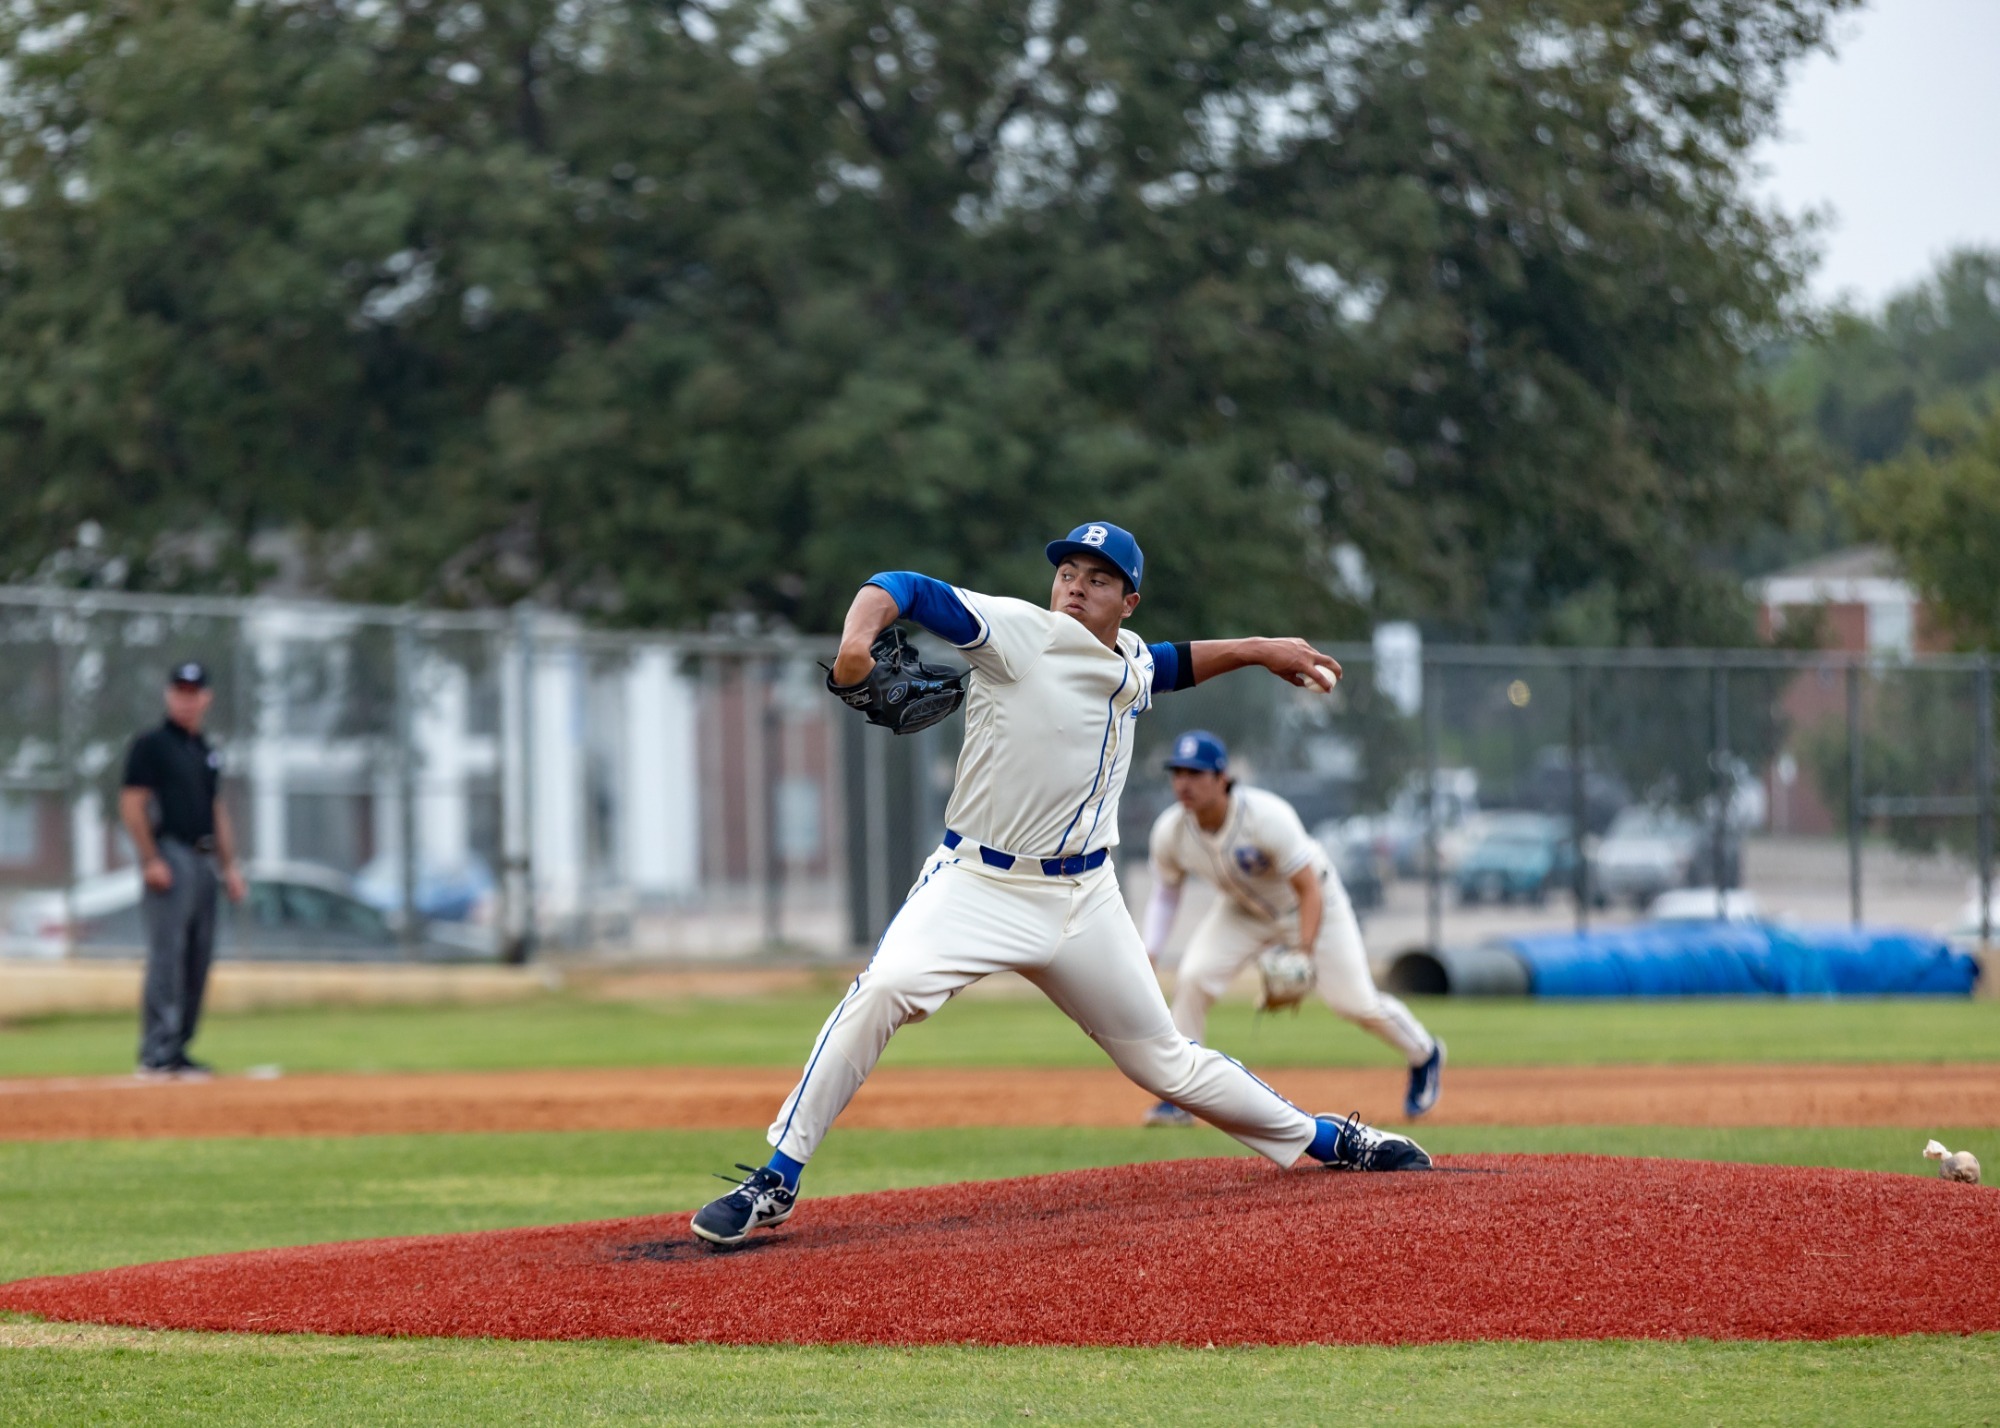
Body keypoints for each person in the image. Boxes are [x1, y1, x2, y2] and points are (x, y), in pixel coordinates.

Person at [692, 522, 1430, 1248]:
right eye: (1068, 573)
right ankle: (777, 1176)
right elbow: (904, 589)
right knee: (884, 990)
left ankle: (1327, 1137)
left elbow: (1167, 665)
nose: (1076, 586)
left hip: (1086, 900)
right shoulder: (1017, 633)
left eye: (1099, 578)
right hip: (978, 882)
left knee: (1164, 1061)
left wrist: (1259, 650)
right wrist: (857, 640)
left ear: (1128, 601)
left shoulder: (1130, 656)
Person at [1139, 730, 1444, 1129]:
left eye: (1195, 773)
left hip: (1313, 903)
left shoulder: (1265, 816)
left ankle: (1425, 1053)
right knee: (1194, 977)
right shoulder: (1171, 831)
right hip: (1243, 909)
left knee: (1355, 1004)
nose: (1183, 782)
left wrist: (1303, 951)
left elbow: (1308, 888)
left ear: (1222, 777)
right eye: (1177, 772)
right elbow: (1166, 895)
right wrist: (1149, 953)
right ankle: (1178, 1096)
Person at [118, 661, 247, 1079]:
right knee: (167, 955)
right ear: (168, 695)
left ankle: (178, 1048)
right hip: (170, 853)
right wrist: (150, 857)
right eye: (179, 692)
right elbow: (132, 804)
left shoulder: (204, 751)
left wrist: (230, 867)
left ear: (205, 698)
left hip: (203, 858)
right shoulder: (151, 745)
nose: (186, 700)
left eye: (194, 693)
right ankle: (156, 1050)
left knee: (197, 958)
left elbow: (216, 810)